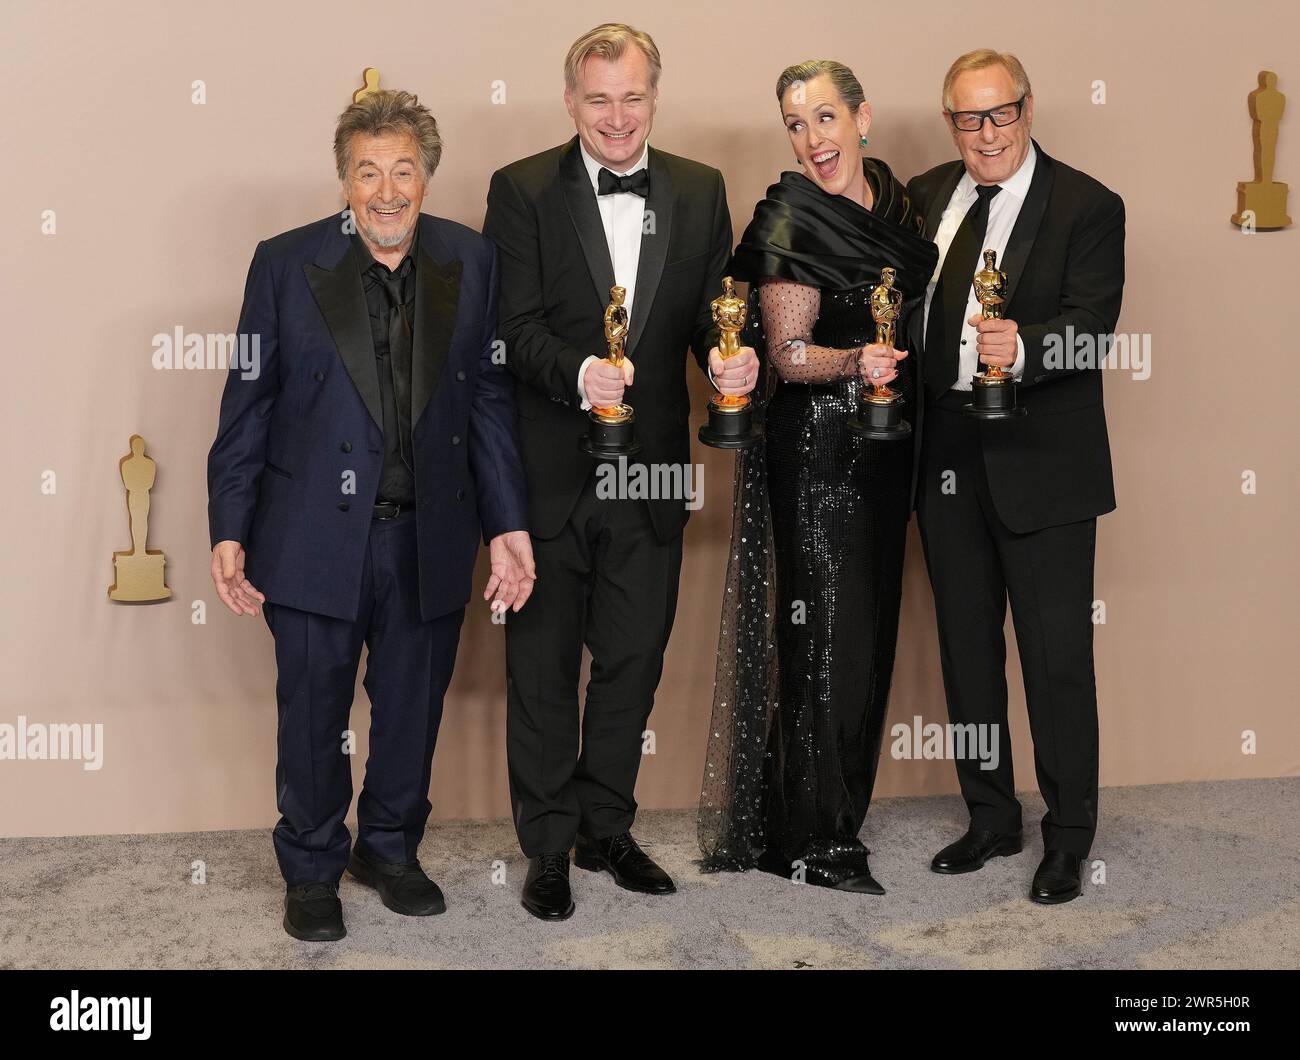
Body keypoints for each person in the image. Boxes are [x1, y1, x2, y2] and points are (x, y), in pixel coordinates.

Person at [207, 90, 533, 941]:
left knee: (412, 710)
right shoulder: (284, 263)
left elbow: (490, 400)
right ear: (343, 181)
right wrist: (230, 527)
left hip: (428, 535)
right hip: (308, 536)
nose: (386, 191)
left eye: (403, 171)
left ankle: (387, 847)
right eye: (367, 172)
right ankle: (312, 864)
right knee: (311, 714)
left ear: (427, 176)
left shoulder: (471, 259)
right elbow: (247, 403)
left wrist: (508, 523)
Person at [483, 23, 758, 921]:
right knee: (543, 670)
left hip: (653, 481)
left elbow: (711, 321)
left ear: (655, 96)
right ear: (570, 102)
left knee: (632, 664)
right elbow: (511, 329)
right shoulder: (521, 189)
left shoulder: (701, 188)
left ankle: (606, 828)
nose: (616, 117)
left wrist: (732, 362)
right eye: (597, 99)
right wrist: (576, 373)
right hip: (551, 475)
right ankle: (549, 845)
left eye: (631, 96)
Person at [698, 60, 937, 894]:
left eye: (826, 117)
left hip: (887, 446)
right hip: (819, 452)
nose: (813, 138)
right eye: (796, 124)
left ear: (862, 118)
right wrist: (853, 360)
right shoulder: (790, 216)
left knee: (867, 634)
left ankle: (829, 818)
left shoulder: (901, 205)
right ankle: (814, 841)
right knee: (822, 639)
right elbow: (789, 359)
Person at [907, 49, 1125, 904]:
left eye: (999, 115)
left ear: (1028, 111)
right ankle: (991, 818)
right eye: (968, 118)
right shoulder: (926, 195)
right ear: (951, 121)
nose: (986, 134)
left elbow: (1095, 331)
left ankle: (1067, 838)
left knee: (1057, 660)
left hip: (1044, 460)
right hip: (947, 451)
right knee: (967, 651)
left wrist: (1028, 346)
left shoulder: (1087, 204)